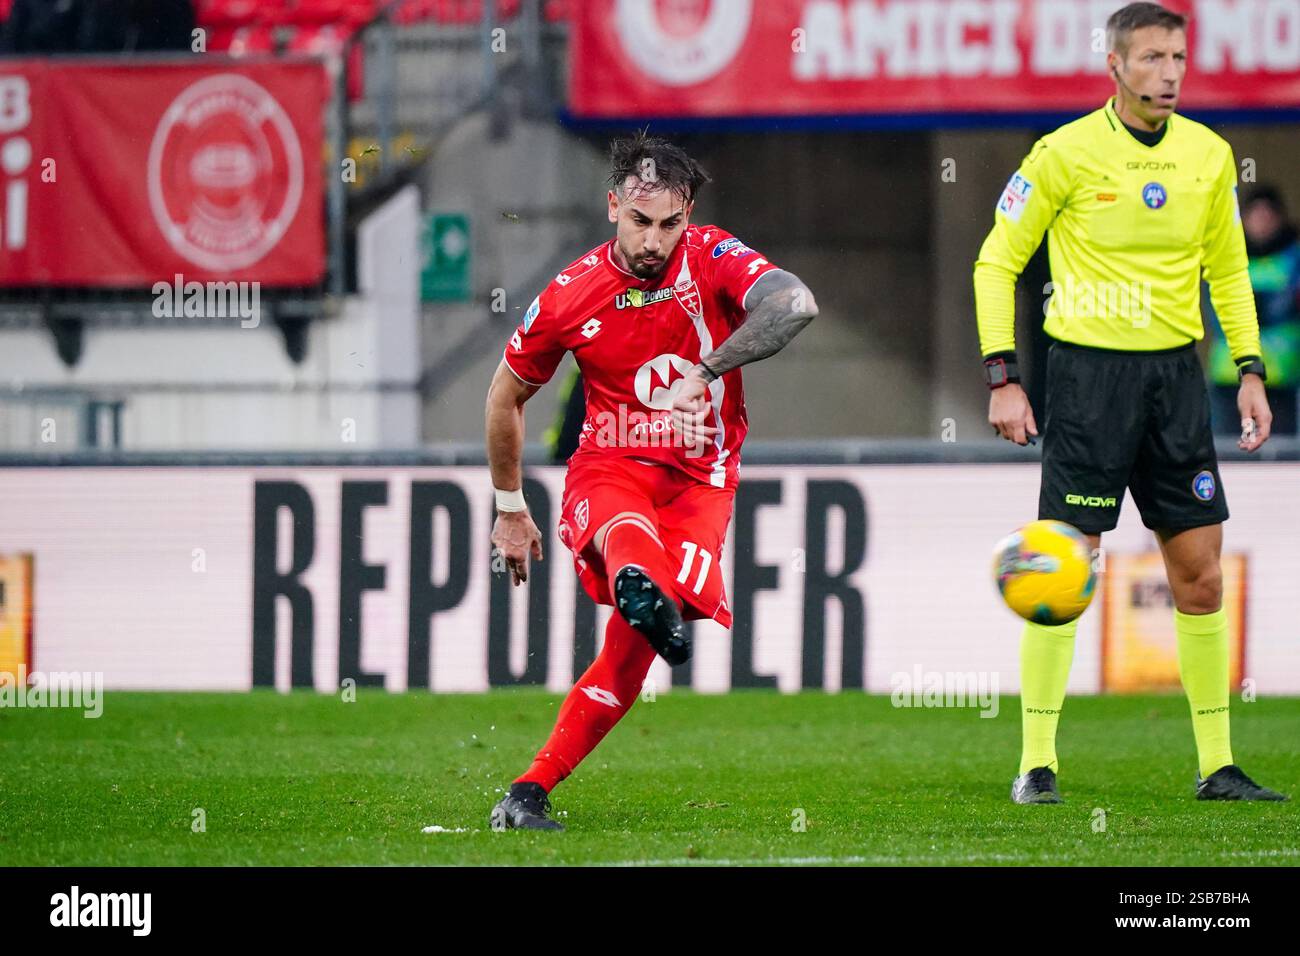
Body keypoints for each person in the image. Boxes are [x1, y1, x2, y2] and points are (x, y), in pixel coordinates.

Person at [974, 3, 1286, 804]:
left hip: (1177, 383)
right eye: (1150, 58)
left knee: (1201, 577)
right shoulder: (1063, 154)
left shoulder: (1210, 156)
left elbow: (1227, 275)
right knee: (1065, 568)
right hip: (1086, 383)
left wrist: (1249, 369)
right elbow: (994, 262)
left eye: (1177, 57)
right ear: (1113, 65)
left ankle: (1216, 765)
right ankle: (1036, 764)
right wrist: (1002, 377)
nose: (1169, 73)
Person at [484, 132, 817, 830]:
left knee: (630, 660)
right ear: (612, 207)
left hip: (702, 481)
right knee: (628, 541)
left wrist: (708, 368)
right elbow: (505, 397)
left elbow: (794, 305)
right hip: (611, 463)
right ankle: (641, 579)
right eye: (640, 221)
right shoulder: (569, 297)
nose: (654, 241)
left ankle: (527, 790)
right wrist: (511, 507)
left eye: (670, 223)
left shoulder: (714, 255)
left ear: (688, 214)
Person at [1206, 185, 1300, 435]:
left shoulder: (1294, 257)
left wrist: (1249, 304)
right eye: (1255, 215)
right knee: (1230, 453)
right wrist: (1269, 302)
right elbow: (1216, 309)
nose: (1261, 222)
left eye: (1268, 216)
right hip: (1230, 377)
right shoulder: (1226, 254)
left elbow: (1289, 304)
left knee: (1282, 458)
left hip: (1284, 378)